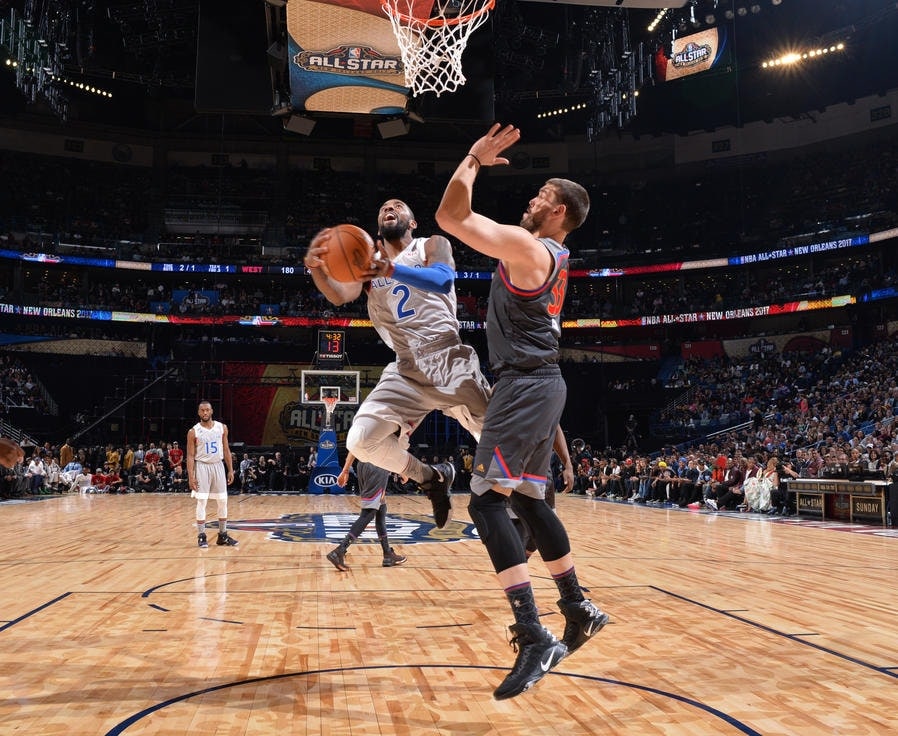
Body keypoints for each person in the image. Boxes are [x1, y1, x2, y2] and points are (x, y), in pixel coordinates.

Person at [435, 123, 609, 700]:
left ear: (558, 210)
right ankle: (578, 607)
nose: (529, 200)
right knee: (531, 502)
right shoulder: (556, 255)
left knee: (486, 502)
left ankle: (534, 634)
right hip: (543, 383)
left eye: (539, 197)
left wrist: (473, 158)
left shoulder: (529, 246)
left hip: (525, 386)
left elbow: (450, 218)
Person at [304, 198, 492, 526]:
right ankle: (432, 477)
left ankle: (524, 505)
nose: (390, 208)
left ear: (413, 222)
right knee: (360, 440)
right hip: (405, 367)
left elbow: (442, 279)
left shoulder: (431, 244)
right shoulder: (368, 267)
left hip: (447, 357)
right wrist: (316, 267)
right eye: (383, 209)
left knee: (497, 433)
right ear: (377, 228)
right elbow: (337, 295)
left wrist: (389, 268)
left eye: (398, 206)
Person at [326, 452, 407, 571]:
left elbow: (353, 448)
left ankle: (387, 554)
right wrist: (401, 471)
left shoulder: (361, 432)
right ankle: (340, 551)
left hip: (362, 465)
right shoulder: (383, 432)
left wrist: (346, 470)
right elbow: (389, 449)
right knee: (368, 513)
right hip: (378, 466)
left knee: (381, 508)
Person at [187, 400, 238, 548]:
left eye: (207, 410)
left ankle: (222, 535)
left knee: (223, 501)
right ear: (198, 412)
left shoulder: (222, 428)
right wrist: (191, 476)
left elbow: (226, 450)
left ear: (211, 411)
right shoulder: (193, 432)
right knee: (201, 501)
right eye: (202, 410)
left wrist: (230, 469)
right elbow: (190, 456)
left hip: (218, 465)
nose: (204, 413)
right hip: (202, 466)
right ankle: (201, 536)